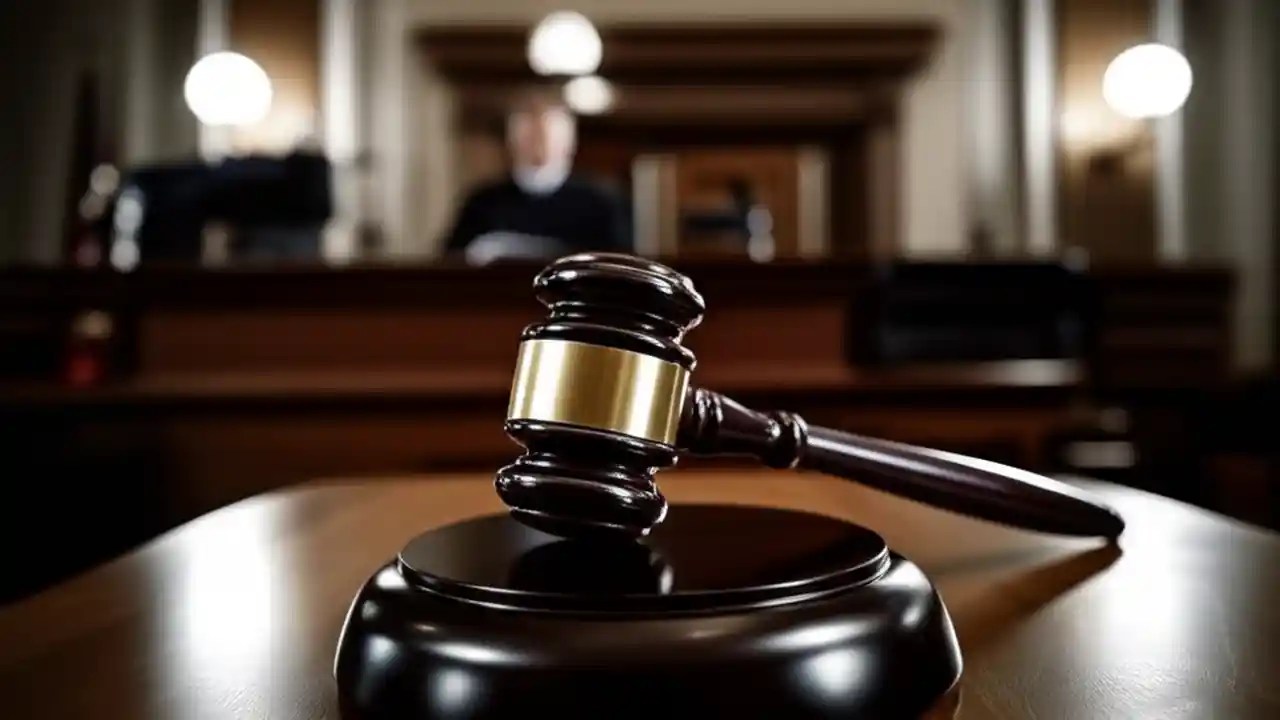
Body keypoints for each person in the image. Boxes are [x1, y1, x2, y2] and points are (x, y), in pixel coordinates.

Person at [443, 94, 630, 263]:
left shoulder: (601, 203)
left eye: (549, 134)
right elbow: (451, 262)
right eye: (529, 134)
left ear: (570, 140)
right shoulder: (483, 203)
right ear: (511, 138)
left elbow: (618, 265)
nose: (539, 142)